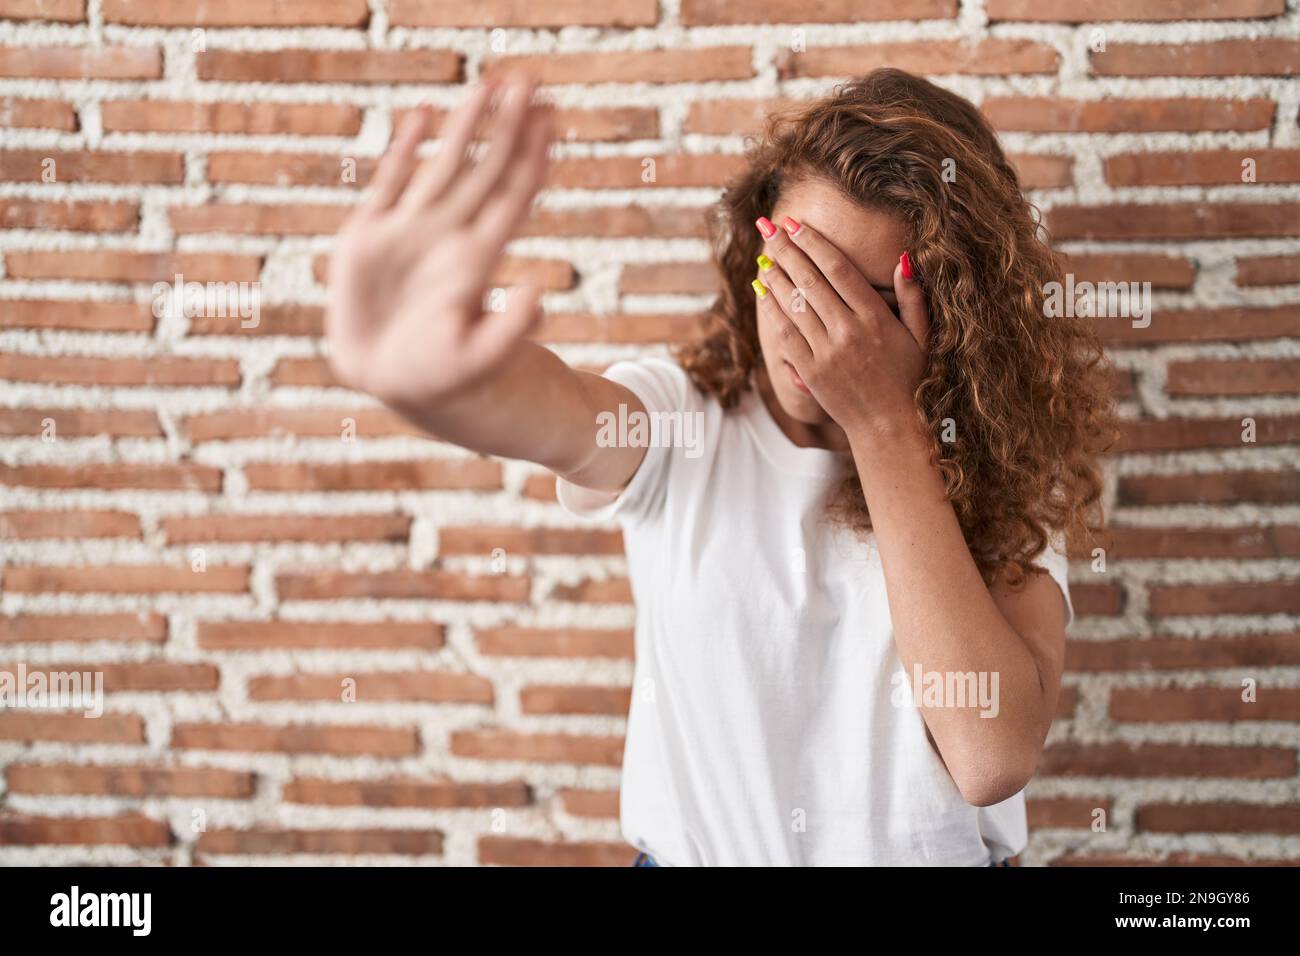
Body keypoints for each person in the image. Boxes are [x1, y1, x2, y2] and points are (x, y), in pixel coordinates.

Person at [325, 68, 1115, 866]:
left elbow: (991, 758)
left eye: (866, 299)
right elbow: (548, 410)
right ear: (756, 247)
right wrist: (429, 381)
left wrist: (883, 423)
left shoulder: (1006, 473)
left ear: (951, 311)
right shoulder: (682, 423)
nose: (818, 328)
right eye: (795, 272)